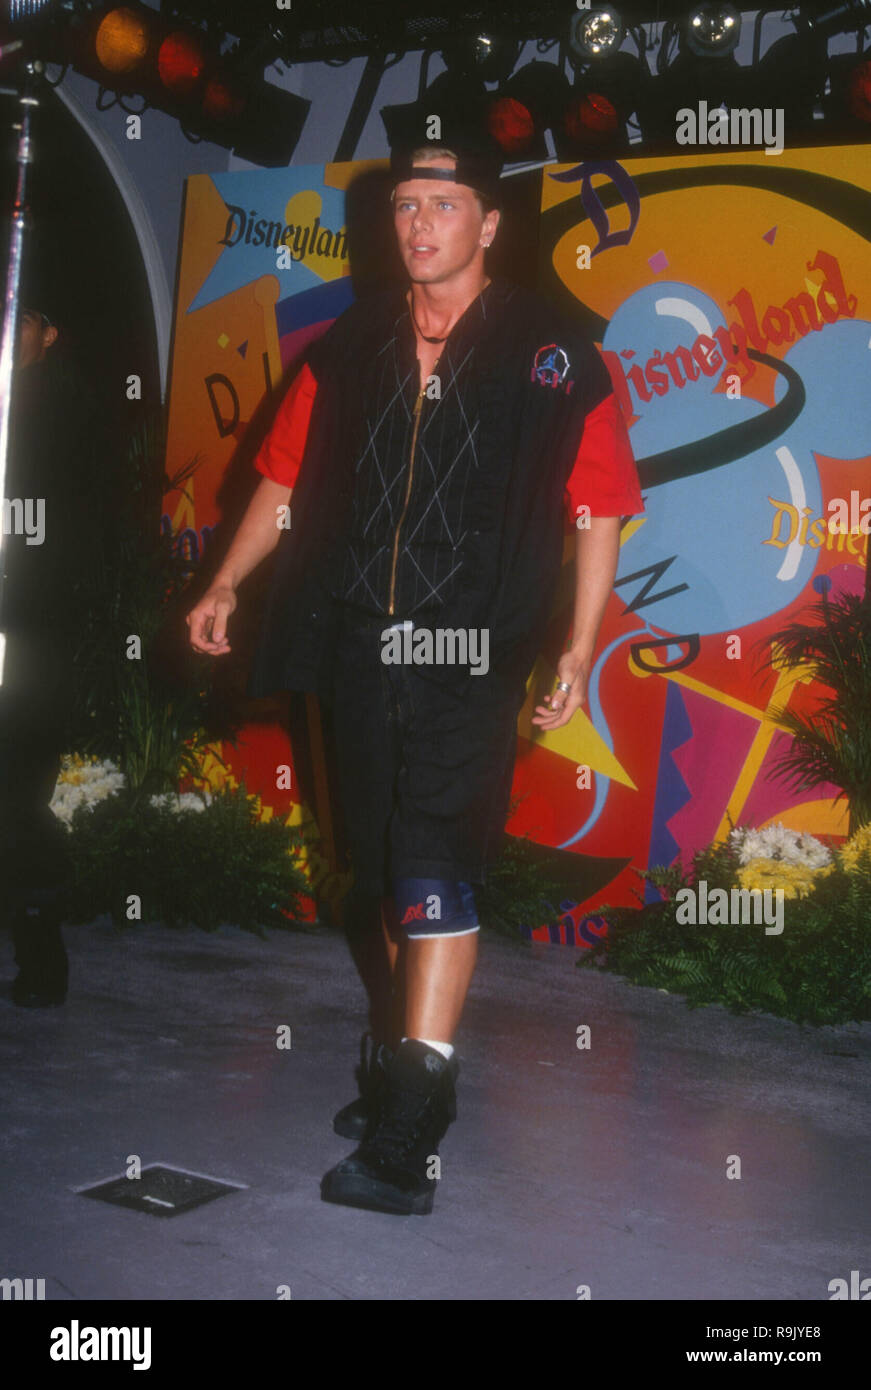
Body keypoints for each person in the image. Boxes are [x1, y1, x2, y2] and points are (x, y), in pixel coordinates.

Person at [187, 121, 643, 1216]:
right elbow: (284, 480)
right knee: (387, 872)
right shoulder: (348, 350)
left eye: (442, 206)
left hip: (469, 651)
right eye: (403, 206)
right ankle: (407, 1054)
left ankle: (410, 1131)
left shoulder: (552, 353)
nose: (418, 223)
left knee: (435, 862)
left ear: (488, 225)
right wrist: (225, 584)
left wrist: (576, 647)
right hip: (354, 642)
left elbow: (601, 507)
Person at [0, 304, 100, 1006]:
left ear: (51, 331)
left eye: (25, 317)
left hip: (33, 631)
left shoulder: (57, 402)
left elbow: (56, 516)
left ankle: (42, 948)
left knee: (16, 793)